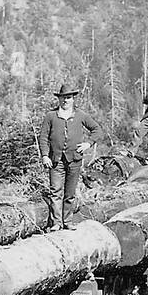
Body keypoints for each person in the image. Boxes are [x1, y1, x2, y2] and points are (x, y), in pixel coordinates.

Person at [37, 84, 101, 229]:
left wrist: (88, 144)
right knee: (56, 192)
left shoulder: (80, 115)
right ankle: (56, 223)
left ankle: (68, 222)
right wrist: (45, 156)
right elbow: (43, 137)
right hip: (56, 161)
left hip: (75, 160)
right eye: (63, 98)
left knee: (70, 193)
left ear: (73, 99)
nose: (66, 100)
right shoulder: (51, 116)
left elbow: (97, 130)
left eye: (68, 97)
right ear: (59, 99)